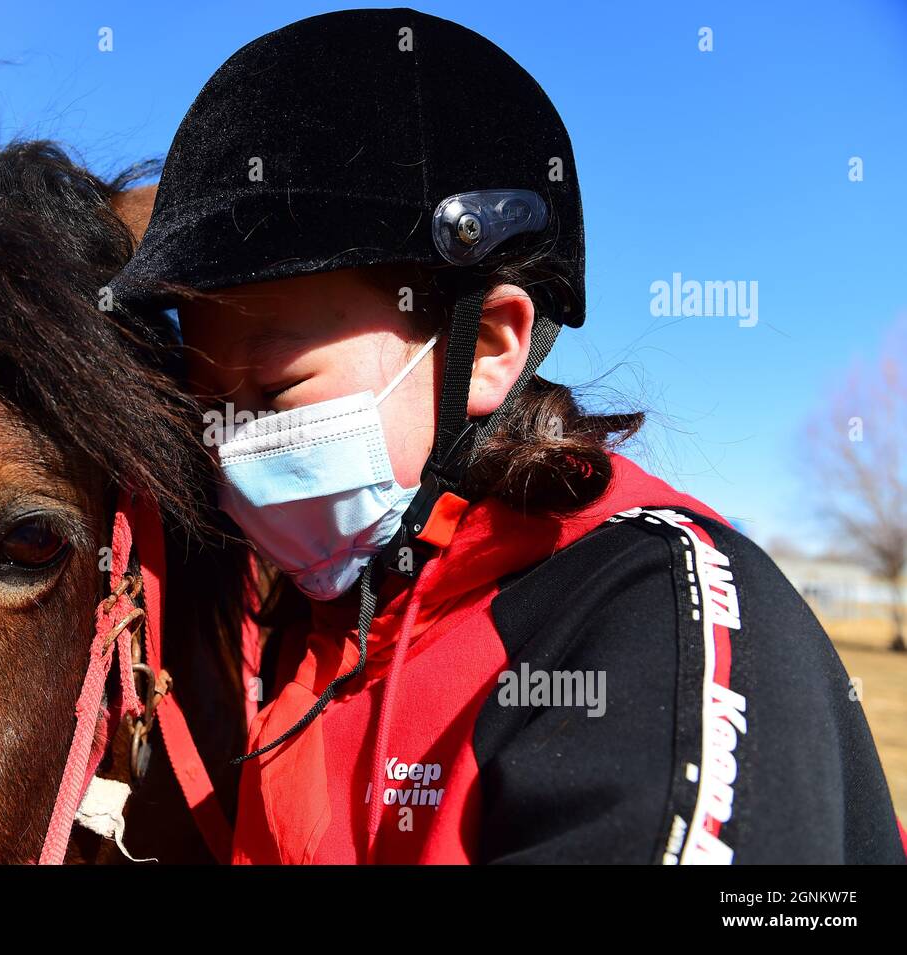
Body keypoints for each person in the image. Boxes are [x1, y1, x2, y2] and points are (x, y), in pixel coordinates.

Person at [108, 8, 905, 864]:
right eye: (210, 405)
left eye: (277, 390)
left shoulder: (650, 620)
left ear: (487, 348)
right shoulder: (329, 622)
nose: (233, 445)